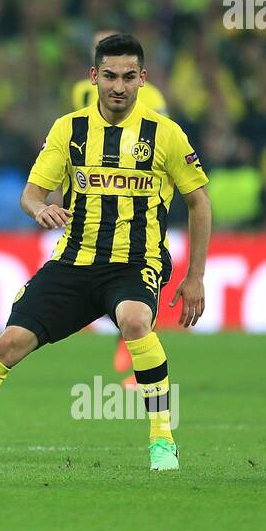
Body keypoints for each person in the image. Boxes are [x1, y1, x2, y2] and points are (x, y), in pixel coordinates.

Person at [0, 33, 212, 472]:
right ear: (94, 76)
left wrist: (196, 277)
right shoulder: (68, 129)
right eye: (110, 75)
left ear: (143, 79)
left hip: (135, 262)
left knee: (134, 320)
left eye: (129, 77)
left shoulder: (165, 134)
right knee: (7, 345)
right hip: (73, 262)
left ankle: (162, 440)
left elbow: (199, 201)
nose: (119, 86)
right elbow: (31, 194)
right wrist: (41, 208)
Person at [77, 29, 169, 389]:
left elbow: (155, 140)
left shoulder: (153, 99)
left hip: (141, 199)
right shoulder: (80, 94)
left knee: (140, 272)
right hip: (98, 199)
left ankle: (134, 355)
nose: (118, 85)